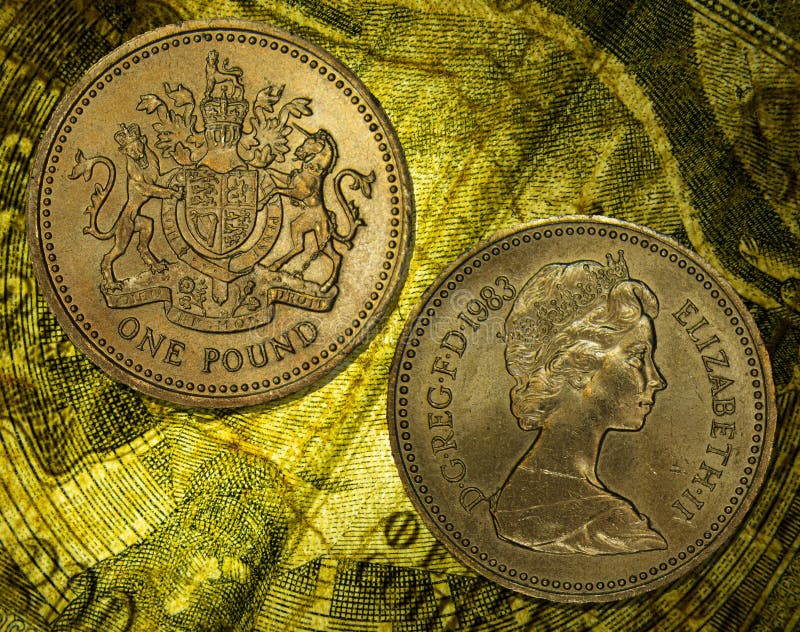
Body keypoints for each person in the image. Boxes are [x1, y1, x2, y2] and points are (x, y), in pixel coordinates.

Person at [490, 251, 668, 555]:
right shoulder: (610, 525)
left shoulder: (511, 497)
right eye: (638, 357)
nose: (656, 379)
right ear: (577, 366)